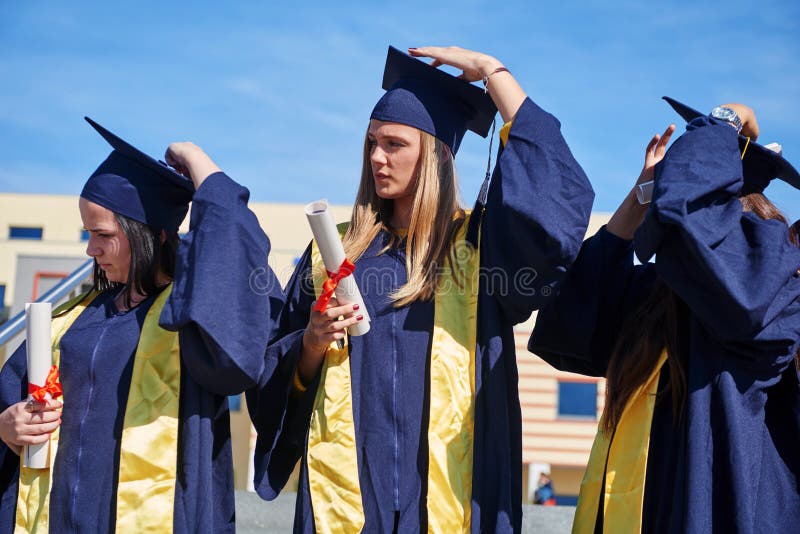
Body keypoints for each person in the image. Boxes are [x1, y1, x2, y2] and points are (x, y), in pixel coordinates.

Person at [247, 45, 594, 533]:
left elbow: (553, 206)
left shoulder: (481, 247)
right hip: (350, 502)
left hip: (450, 500)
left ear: (436, 154)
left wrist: (493, 73)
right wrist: (310, 343)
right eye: (372, 142)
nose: (376, 157)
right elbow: (273, 374)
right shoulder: (334, 253)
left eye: (394, 144)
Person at [528, 99, 800, 532]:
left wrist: (727, 119)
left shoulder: (774, 295)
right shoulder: (655, 301)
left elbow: (696, 223)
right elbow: (569, 322)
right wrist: (642, 193)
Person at [0, 117, 284, 533]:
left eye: (103, 235)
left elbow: (232, 255)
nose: (90, 249)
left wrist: (200, 164)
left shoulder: (190, 318)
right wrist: (8, 425)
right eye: (88, 233)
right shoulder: (71, 320)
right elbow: (10, 401)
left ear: (153, 234)